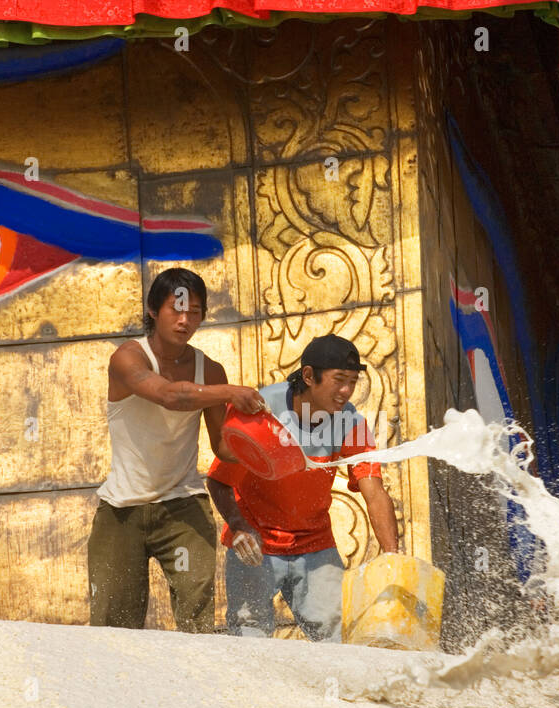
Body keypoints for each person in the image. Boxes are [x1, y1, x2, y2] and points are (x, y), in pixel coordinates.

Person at [88, 267, 264, 632]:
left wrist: (271, 447)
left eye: (195, 311)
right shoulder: (127, 358)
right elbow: (171, 396)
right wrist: (232, 392)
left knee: (197, 621)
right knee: (114, 629)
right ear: (153, 310)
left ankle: (199, 687)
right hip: (122, 512)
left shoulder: (209, 370)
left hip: (183, 507)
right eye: (176, 309)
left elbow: (223, 447)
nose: (185, 320)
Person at [206, 334, 400, 643]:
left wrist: (393, 558)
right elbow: (218, 479)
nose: (347, 391)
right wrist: (239, 526)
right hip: (255, 544)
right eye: (339, 380)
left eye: (352, 381)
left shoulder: (351, 422)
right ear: (308, 376)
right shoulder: (262, 409)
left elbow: (374, 492)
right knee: (248, 638)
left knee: (338, 641)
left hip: (315, 545)